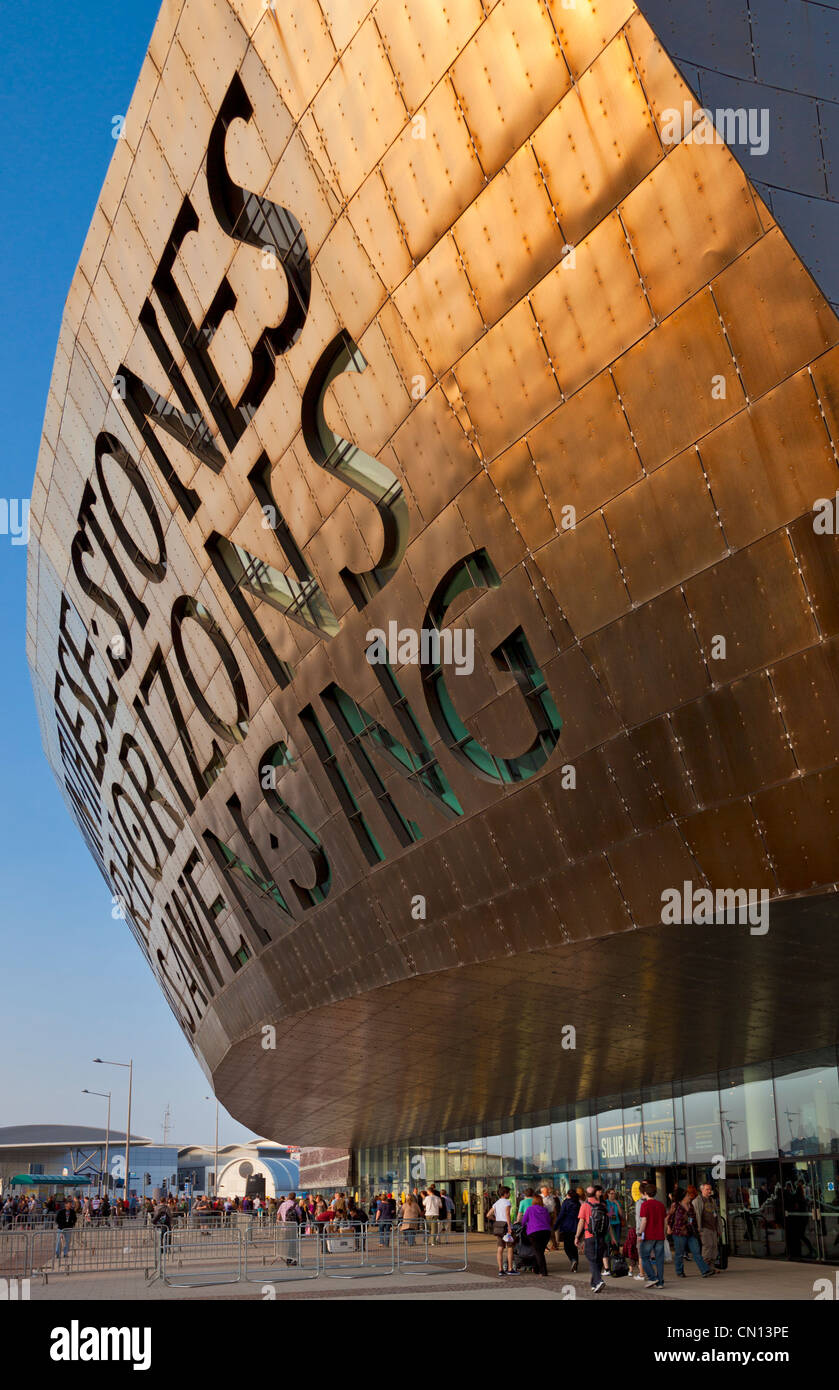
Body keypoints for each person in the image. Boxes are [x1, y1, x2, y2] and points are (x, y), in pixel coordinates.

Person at [668, 1187, 715, 1279]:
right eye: (687, 1195)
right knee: (679, 1253)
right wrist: (669, 1228)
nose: (689, 1196)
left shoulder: (691, 1206)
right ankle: (679, 1271)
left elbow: (692, 1218)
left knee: (696, 1252)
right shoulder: (676, 1206)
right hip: (679, 1233)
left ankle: (705, 1270)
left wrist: (695, 1227)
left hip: (690, 1232)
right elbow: (671, 1218)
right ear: (683, 1197)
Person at [575, 1185, 614, 1292]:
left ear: (586, 1195)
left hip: (590, 1236)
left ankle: (599, 1280)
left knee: (592, 1260)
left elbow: (581, 1222)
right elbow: (608, 1223)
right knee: (598, 1260)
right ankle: (594, 1284)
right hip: (601, 1236)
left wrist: (577, 1236)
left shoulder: (584, 1205)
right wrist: (612, 1237)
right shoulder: (602, 1205)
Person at [638, 1183, 668, 1288]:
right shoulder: (661, 1205)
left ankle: (653, 1278)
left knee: (644, 1257)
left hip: (649, 1236)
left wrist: (640, 1233)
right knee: (659, 1259)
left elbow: (644, 1221)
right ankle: (660, 1282)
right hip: (660, 1235)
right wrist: (664, 1233)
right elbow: (665, 1221)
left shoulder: (644, 1205)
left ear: (645, 1193)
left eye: (642, 1193)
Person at [692, 1183, 723, 1271]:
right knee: (707, 1246)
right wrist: (698, 1227)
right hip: (704, 1228)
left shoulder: (712, 1200)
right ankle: (705, 1268)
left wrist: (719, 1228)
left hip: (713, 1227)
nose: (709, 1191)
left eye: (710, 1189)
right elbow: (695, 1215)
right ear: (702, 1190)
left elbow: (716, 1214)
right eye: (707, 1189)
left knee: (714, 1246)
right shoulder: (697, 1201)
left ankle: (711, 1267)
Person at [520, 1193, 553, 1277]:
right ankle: (536, 1268)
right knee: (540, 1251)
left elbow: (523, 1221)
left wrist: (523, 1226)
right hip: (546, 1232)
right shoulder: (544, 1210)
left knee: (538, 1252)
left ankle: (543, 1271)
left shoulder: (530, 1209)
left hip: (534, 1232)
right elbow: (549, 1220)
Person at [490, 1185, 515, 1277]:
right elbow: (507, 1214)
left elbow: (488, 1214)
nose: (510, 1194)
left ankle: (500, 1270)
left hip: (498, 1227)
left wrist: (496, 1219)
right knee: (510, 1247)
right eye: (509, 1193)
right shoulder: (507, 1202)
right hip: (505, 1226)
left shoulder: (496, 1203)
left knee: (500, 1248)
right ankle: (510, 1268)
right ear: (505, 1194)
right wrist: (509, 1227)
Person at [557, 1189, 580, 1270]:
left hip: (567, 1226)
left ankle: (572, 1259)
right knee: (574, 1246)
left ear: (568, 1195)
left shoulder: (566, 1202)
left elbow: (561, 1214)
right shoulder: (577, 1203)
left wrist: (556, 1225)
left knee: (567, 1247)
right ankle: (575, 1264)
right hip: (576, 1226)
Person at [55, 1198, 76, 1264]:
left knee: (67, 1241)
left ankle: (65, 1253)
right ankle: (57, 1253)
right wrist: (60, 1225)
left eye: (70, 1204)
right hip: (61, 1228)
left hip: (68, 1228)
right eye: (69, 1204)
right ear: (65, 1204)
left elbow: (75, 1219)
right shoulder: (60, 1211)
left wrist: (72, 1224)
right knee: (59, 1241)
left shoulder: (72, 1211)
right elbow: (57, 1219)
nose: (70, 1205)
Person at [539, 1185, 558, 1250]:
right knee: (546, 1231)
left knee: (552, 1230)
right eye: (546, 1191)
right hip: (544, 1215)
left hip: (551, 1214)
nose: (548, 1192)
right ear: (542, 1191)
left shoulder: (551, 1197)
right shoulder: (540, 1198)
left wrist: (555, 1216)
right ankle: (547, 1245)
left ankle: (554, 1245)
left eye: (548, 1190)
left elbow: (554, 1207)